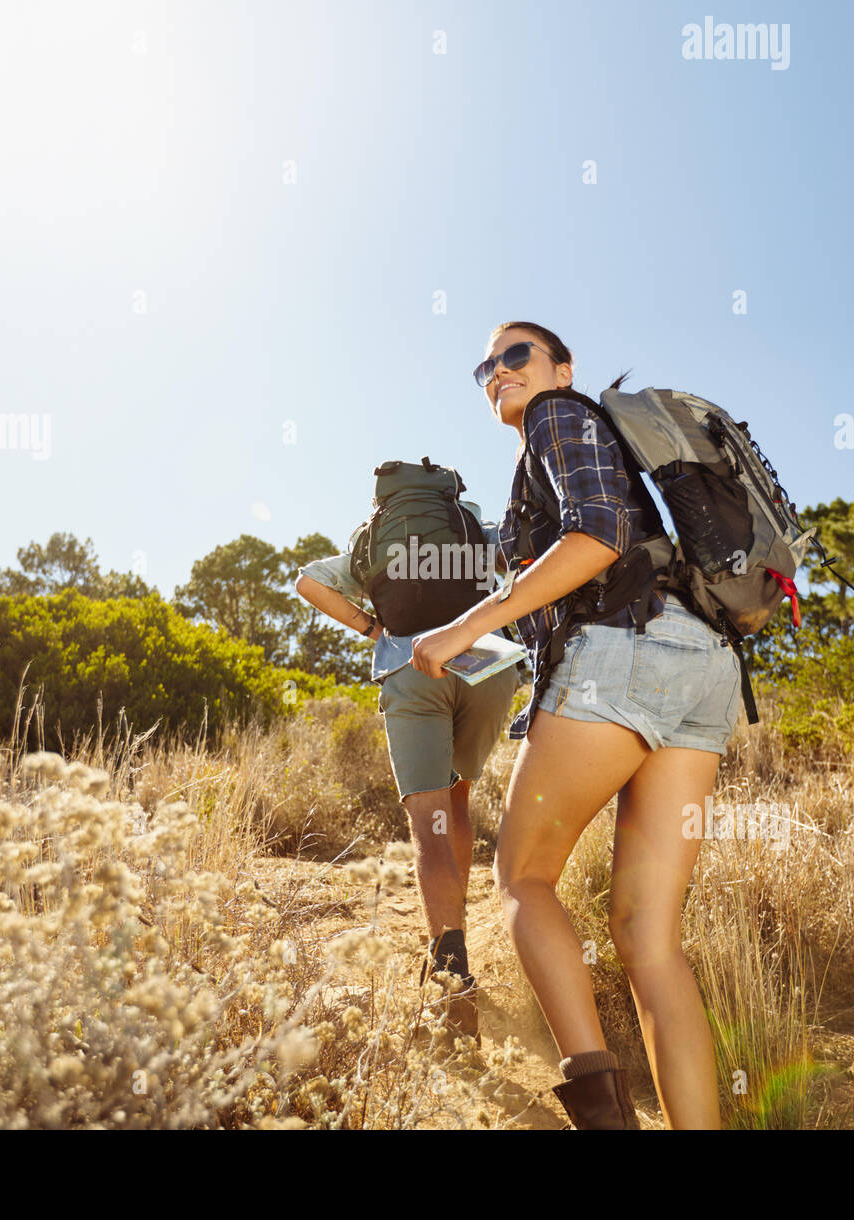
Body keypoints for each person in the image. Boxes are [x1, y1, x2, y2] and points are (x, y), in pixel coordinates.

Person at [409, 321, 743, 1129]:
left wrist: (458, 634)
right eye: (484, 366)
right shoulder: (583, 454)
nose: (497, 372)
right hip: (707, 666)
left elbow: (597, 536)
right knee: (649, 940)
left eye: (515, 355)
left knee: (523, 878)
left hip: (624, 656)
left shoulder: (560, 416)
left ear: (562, 366)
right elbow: (565, 551)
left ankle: (602, 1117)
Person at [294, 485, 520, 1044]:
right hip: (488, 668)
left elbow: (307, 582)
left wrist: (374, 630)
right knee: (458, 800)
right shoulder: (474, 529)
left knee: (429, 820)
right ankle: (457, 927)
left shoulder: (375, 542)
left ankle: (449, 967)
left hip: (411, 667)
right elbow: (529, 558)